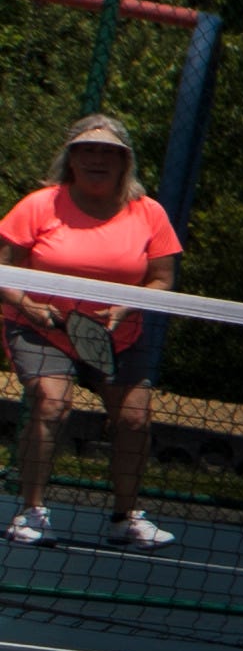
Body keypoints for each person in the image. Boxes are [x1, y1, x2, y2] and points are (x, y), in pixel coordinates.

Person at [3, 111, 182, 552]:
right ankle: (31, 512)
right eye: (87, 151)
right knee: (52, 403)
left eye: (108, 152)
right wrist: (28, 303)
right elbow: (2, 268)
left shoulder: (149, 213)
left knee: (135, 418)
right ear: (71, 159)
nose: (97, 160)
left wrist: (127, 306)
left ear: (125, 162)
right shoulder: (39, 205)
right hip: (39, 327)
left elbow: (162, 277)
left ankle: (125, 518)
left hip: (118, 337)